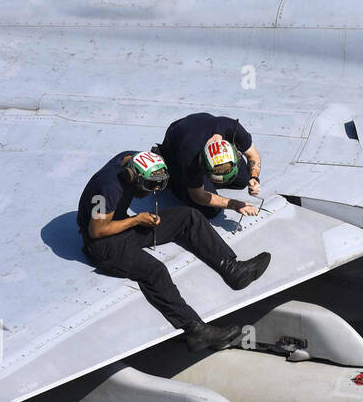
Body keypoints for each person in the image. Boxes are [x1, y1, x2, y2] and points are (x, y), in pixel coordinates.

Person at [77, 149, 271, 352]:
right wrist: (136, 219)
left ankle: (232, 270)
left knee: (189, 217)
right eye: (149, 186)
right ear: (132, 176)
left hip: (121, 224)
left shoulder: (132, 159)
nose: (152, 191)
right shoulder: (107, 187)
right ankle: (195, 331)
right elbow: (97, 230)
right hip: (103, 244)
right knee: (154, 270)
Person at [159, 113, 263, 218]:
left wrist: (254, 177)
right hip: (177, 141)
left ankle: (204, 181)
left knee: (243, 180)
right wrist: (234, 204)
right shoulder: (191, 158)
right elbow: (198, 195)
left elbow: (253, 155)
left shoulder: (232, 128)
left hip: (200, 122)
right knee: (211, 210)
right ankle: (177, 182)